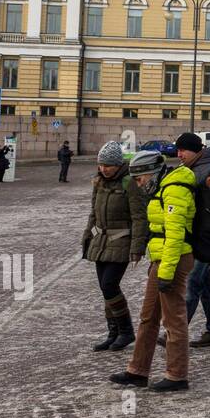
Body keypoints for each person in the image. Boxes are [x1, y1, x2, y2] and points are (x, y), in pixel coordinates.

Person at [110, 150, 195, 393]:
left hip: (174, 260)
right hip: (162, 259)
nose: (139, 184)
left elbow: (175, 236)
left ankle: (177, 375)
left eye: (140, 179)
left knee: (173, 320)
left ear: (153, 173)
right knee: (148, 317)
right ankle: (137, 371)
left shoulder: (174, 189)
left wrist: (166, 273)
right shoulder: (161, 189)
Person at [81, 140, 148, 352]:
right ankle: (113, 333)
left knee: (110, 285)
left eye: (108, 165)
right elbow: (94, 213)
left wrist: (137, 248)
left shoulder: (129, 184)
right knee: (105, 288)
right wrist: (87, 237)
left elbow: (139, 218)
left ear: (118, 165)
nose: (104, 169)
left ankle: (126, 331)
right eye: (101, 165)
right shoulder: (99, 182)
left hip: (121, 242)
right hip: (100, 242)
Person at [167, 132, 210, 349]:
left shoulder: (205, 170)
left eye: (183, 150)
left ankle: (174, 332)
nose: (179, 154)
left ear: (196, 150)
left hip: (206, 237)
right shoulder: (199, 166)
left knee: (192, 283)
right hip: (203, 235)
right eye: (178, 150)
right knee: (205, 284)